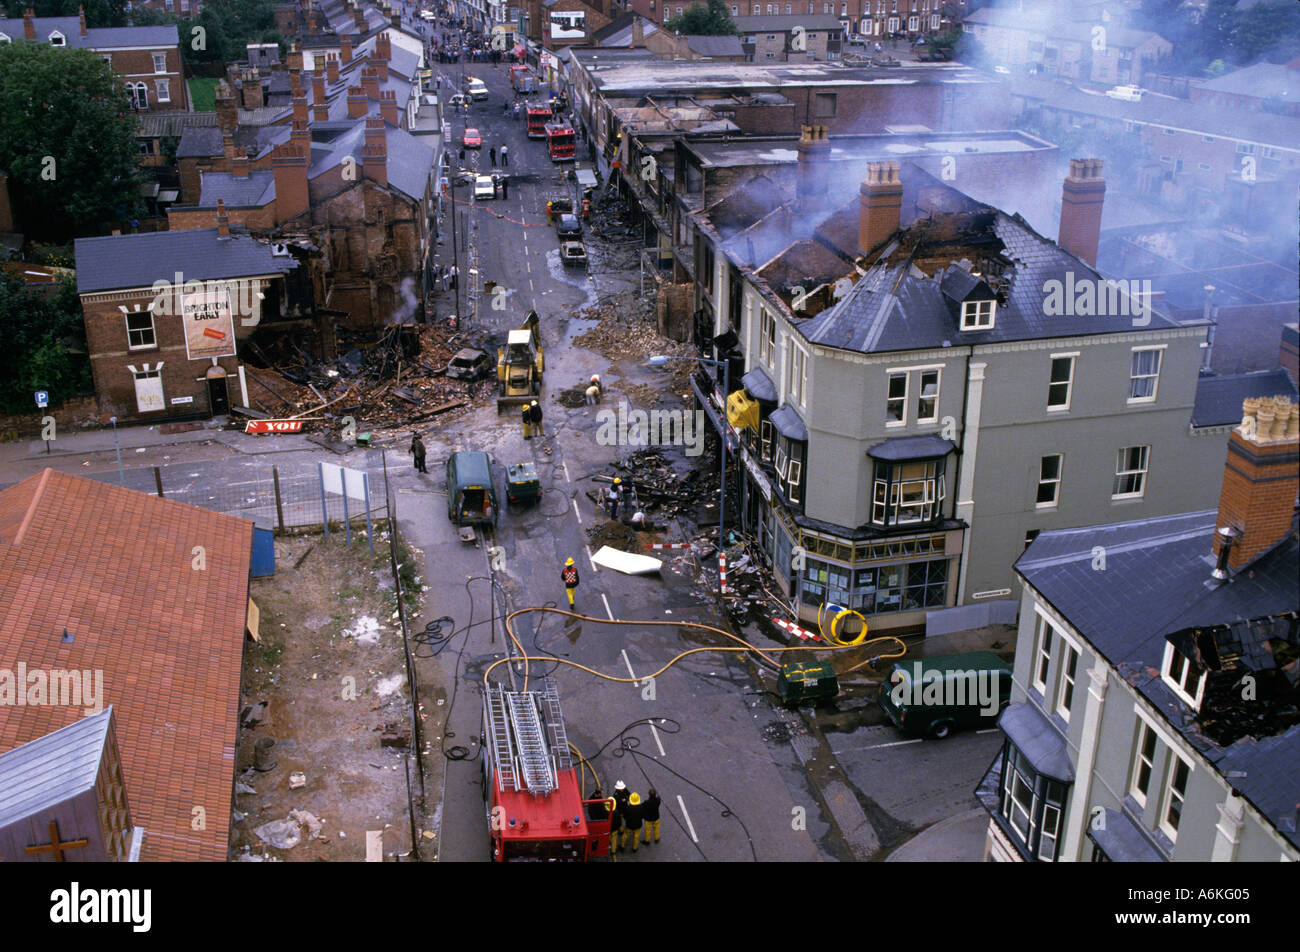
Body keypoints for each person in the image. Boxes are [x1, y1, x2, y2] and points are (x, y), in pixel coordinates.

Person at [608, 794, 623, 859]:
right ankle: (613, 851)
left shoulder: (605, 812)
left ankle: (609, 843)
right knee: (614, 839)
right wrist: (619, 827)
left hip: (608, 828)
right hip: (615, 829)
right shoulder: (616, 813)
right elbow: (619, 821)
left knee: (609, 837)